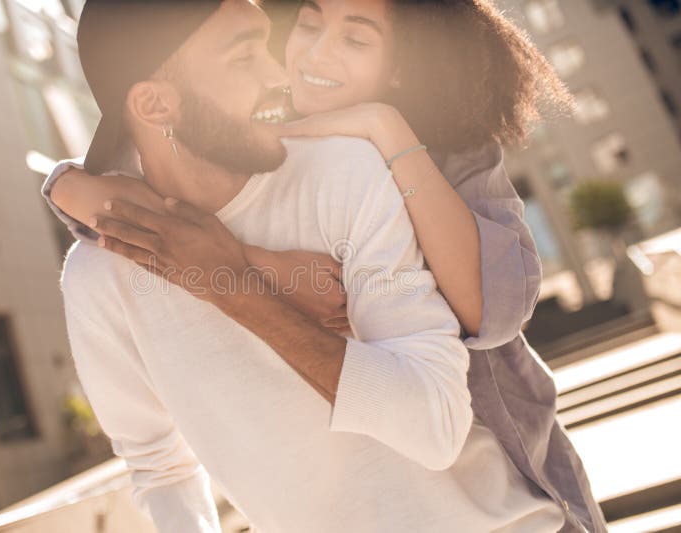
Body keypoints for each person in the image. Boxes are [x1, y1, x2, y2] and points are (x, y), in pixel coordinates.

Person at [45, 1, 606, 531]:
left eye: (358, 38)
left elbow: (482, 335)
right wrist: (74, 188)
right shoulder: (97, 273)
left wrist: (237, 279)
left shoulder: (373, 167)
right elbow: (159, 467)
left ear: (405, 68)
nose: (290, 69)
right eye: (302, 28)